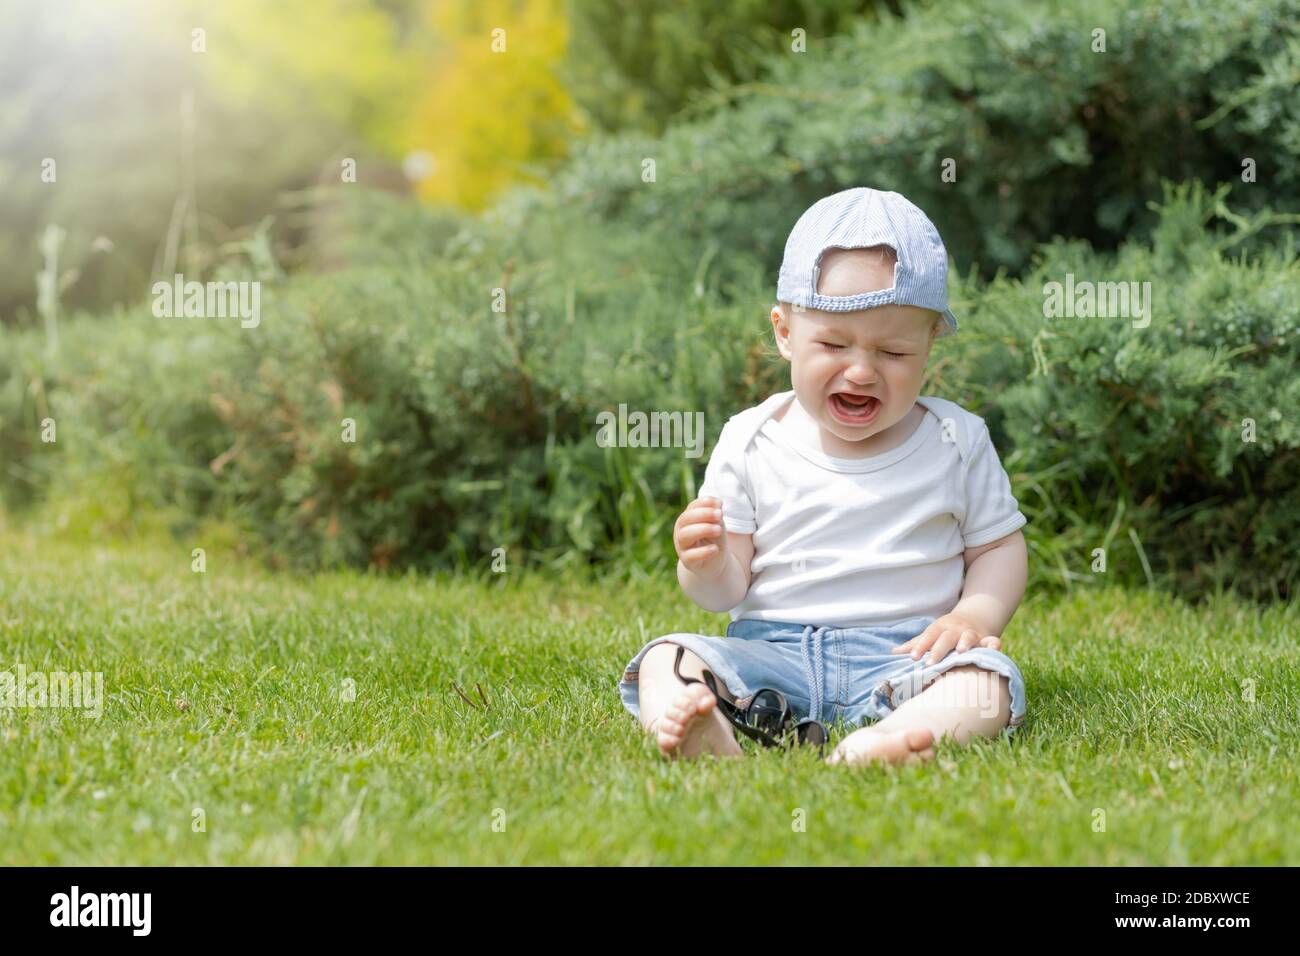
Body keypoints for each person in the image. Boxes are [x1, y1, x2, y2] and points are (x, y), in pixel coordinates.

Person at [617, 187, 1029, 767]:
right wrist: (704, 565)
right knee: (669, 655)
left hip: (906, 656)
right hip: (771, 653)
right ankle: (696, 724)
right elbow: (723, 593)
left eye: (893, 353)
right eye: (833, 343)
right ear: (784, 333)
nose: (861, 371)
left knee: (988, 681)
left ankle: (894, 737)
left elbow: (999, 548)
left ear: (931, 341)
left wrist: (972, 617)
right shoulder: (752, 437)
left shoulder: (955, 440)